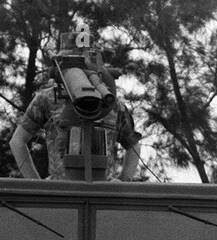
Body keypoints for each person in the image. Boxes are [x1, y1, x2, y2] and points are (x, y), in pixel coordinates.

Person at [9, 40, 141, 181]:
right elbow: (18, 142)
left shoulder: (111, 103)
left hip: (103, 195)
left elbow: (133, 146)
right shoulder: (47, 98)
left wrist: (123, 184)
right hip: (61, 196)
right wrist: (37, 186)